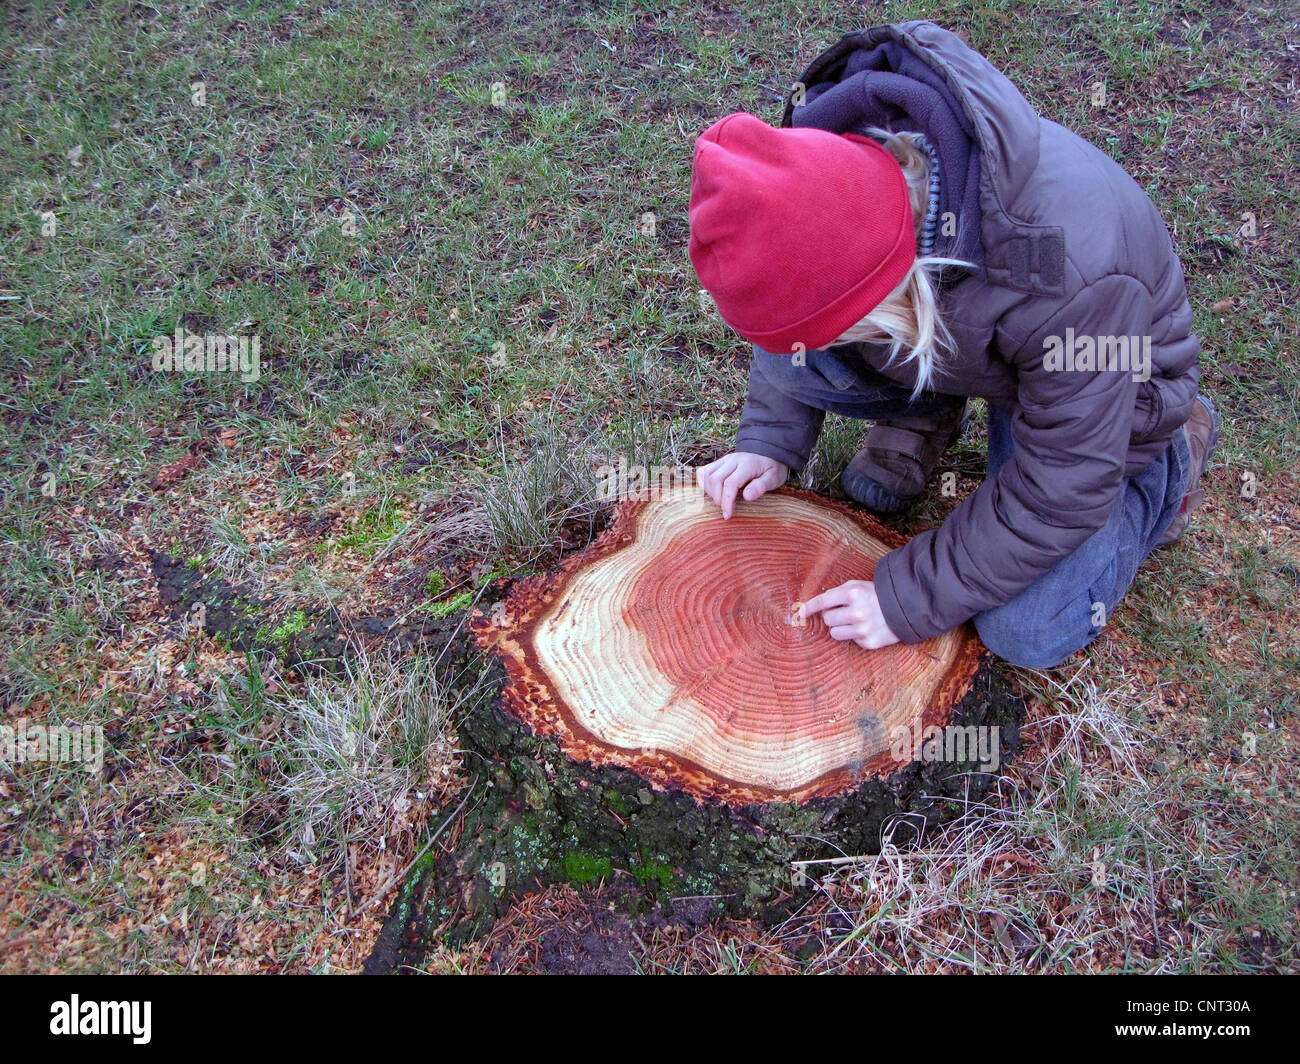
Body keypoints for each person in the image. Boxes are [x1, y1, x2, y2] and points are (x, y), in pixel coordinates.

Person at [688, 21, 1218, 669]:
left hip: (1114, 387)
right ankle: (923, 412)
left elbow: (1062, 487)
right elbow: (795, 296)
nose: (804, 350)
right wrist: (767, 440)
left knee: (1027, 628)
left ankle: (1171, 467)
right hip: (977, 327)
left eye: (841, 327)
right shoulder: (831, 180)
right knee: (822, 342)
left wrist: (906, 596)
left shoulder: (1067, 271)